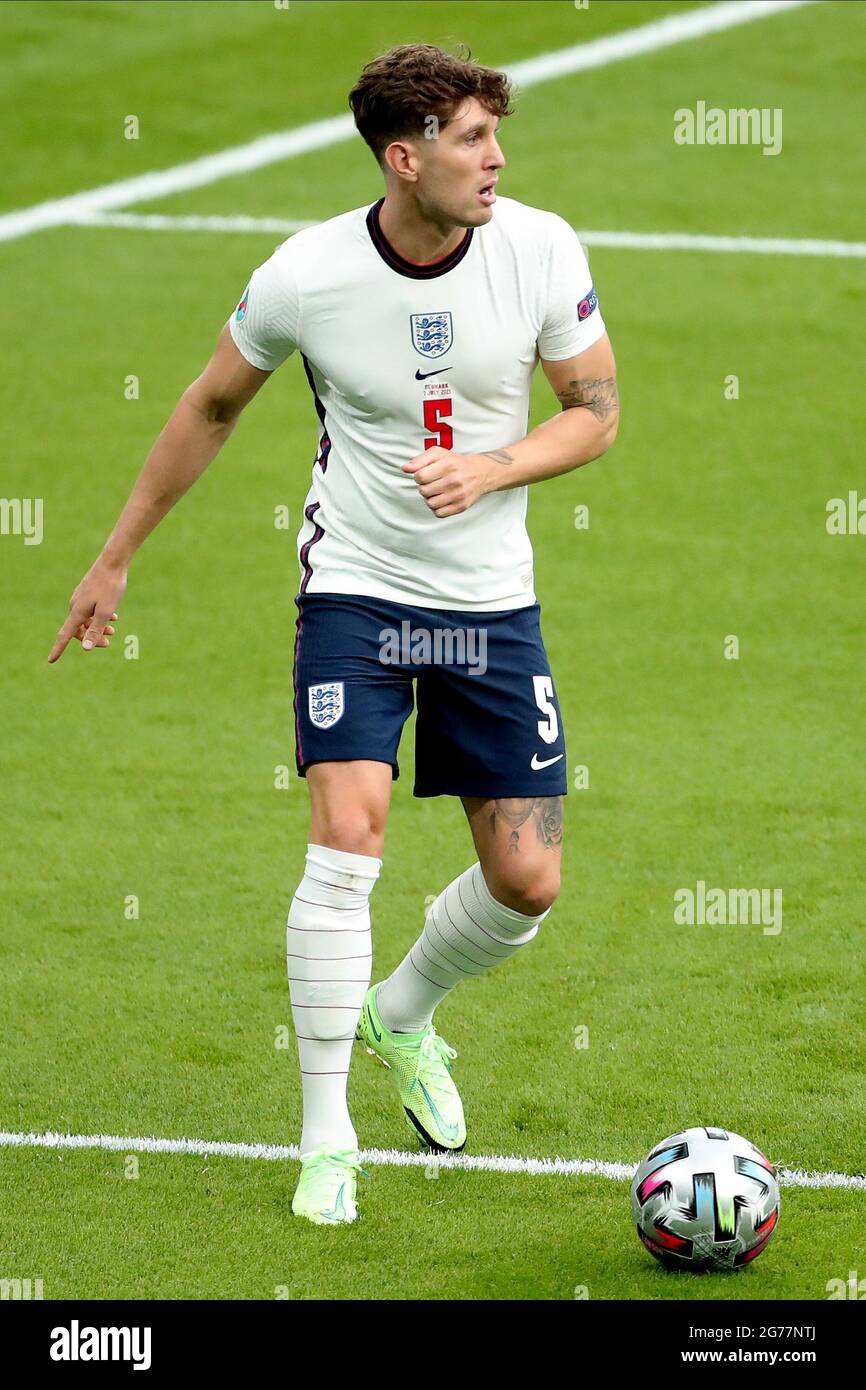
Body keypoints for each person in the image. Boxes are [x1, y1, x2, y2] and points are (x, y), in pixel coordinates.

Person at [49, 43, 619, 1227]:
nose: (496, 159)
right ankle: (324, 1138)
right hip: (353, 592)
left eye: (494, 135)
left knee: (528, 878)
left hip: (488, 605)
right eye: (470, 139)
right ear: (402, 158)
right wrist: (113, 556)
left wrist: (493, 463)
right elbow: (210, 403)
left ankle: (400, 1011)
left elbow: (596, 411)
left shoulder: (539, 247)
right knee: (343, 839)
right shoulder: (305, 275)